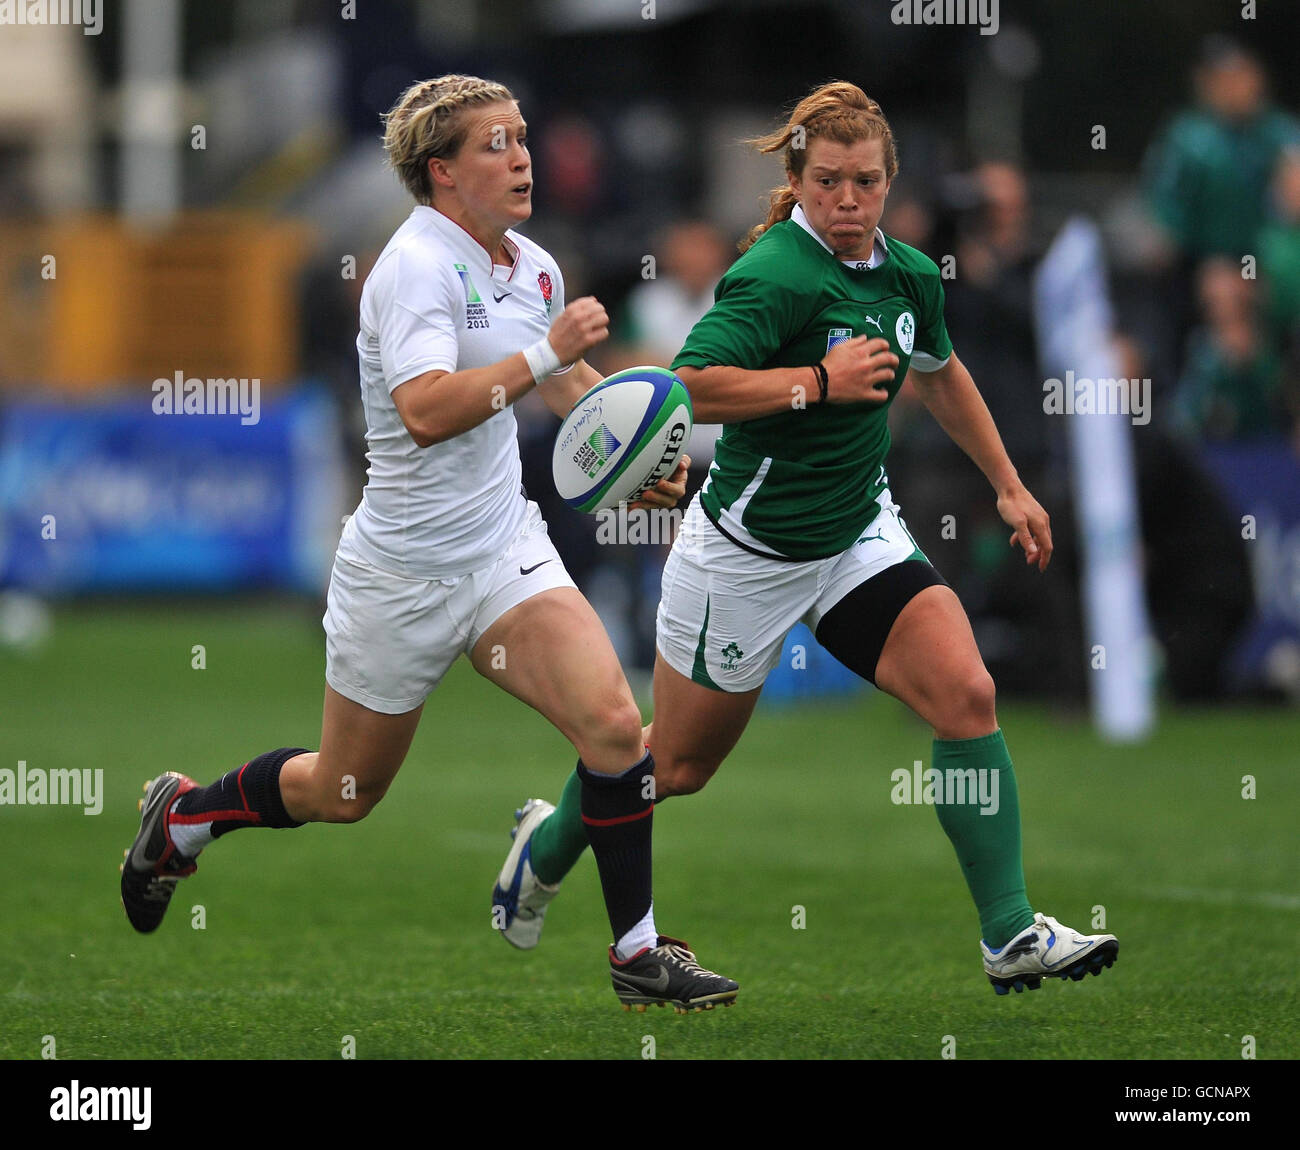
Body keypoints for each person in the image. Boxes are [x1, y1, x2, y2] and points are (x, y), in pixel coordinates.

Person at [119, 74, 737, 1015]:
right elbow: (422, 413)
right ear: (443, 173)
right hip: (400, 573)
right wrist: (539, 358)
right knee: (345, 789)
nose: (523, 155)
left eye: (523, 136)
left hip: (501, 552)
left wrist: (626, 454)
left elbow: (567, 390)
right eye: (498, 143)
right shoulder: (413, 268)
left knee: (615, 726)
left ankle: (638, 953)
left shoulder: (532, 267)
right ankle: (186, 819)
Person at [494, 80, 1118, 996]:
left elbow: (940, 374)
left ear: (889, 182)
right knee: (674, 765)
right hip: (744, 555)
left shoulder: (907, 275)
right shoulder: (775, 275)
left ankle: (1009, 933)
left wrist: (1010, 486)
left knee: (966, 693)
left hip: (858, 531)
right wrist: (814, 382)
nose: (849, 201)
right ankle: (543, 848)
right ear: (799, 180)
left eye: (866, 181)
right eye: (828, 181)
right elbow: (687, 386)